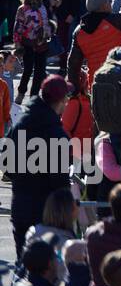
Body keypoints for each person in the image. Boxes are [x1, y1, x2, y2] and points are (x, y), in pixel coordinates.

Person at [5, 75, 74, 249]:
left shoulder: (20, 124)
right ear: (61, 101)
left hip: (20, 206)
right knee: (43, 269)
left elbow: (6, 162)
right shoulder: (57, 136)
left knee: (22, 265)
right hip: (46, 213)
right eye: (66, 98)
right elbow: (60, 182)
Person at [13, 0, 51, 100]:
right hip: (28, 44)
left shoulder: (43, 7)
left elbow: (46, 23)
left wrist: (48, 32)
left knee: (40, 72)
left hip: (42, 44)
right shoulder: (22, 9)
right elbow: (17, 29)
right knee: (28, 70)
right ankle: (21, 93)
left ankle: (34, 97)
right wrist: (18, 45)